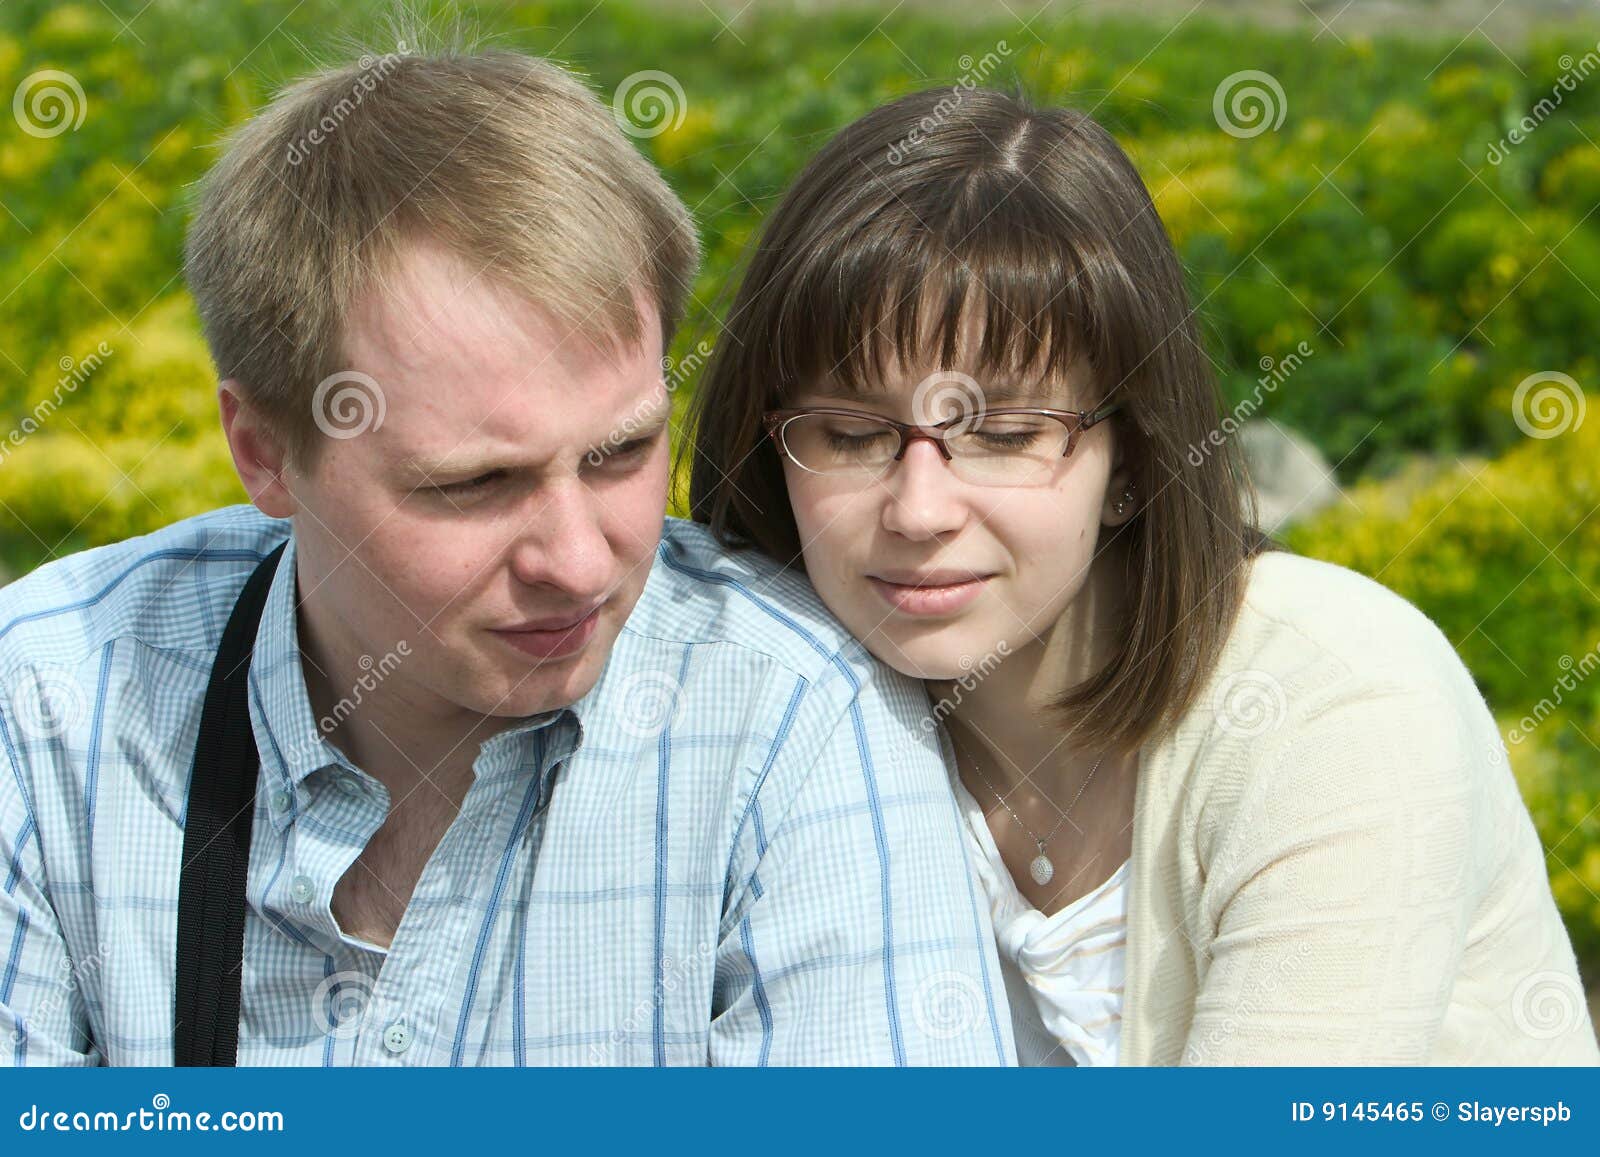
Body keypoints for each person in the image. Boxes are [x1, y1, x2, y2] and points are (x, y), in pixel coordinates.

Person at [0, 46, 1016, 1067]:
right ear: (264, 451)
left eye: (621, 452)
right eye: (473, 485)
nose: (580, 562)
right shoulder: (48, 705)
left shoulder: (793, 722)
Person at [686, 85, 1600, 1065]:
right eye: (853, 434)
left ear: (1128, 463)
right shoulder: (787, 715)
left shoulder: (1334, 704)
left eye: (1002, 435)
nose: (918, 510)